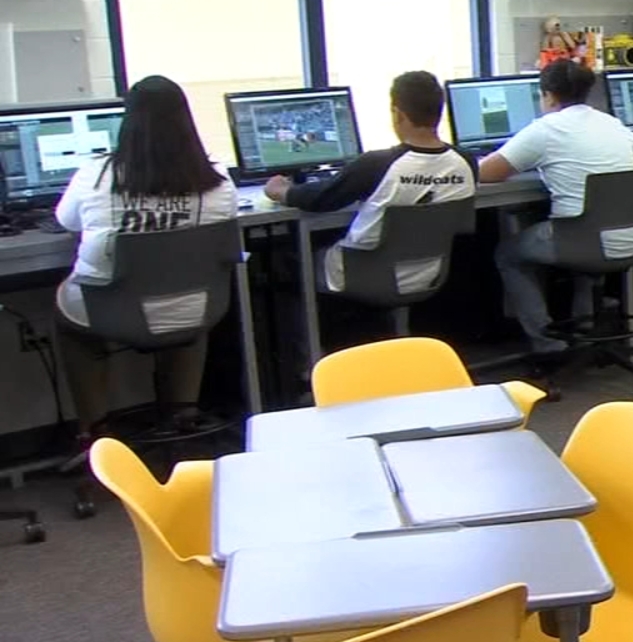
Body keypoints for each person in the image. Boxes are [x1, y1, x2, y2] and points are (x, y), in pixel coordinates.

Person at [53, 75, 237, 442]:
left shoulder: (96, 175)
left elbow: (66, 220)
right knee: (188, 303)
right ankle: (182, 413)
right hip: (198, 308)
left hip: (113, 314)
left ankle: (95, 432)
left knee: (70, 323)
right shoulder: (217, 179)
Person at [480, 59, 633, 355]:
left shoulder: (545, 129)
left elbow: (488, 173)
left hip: (582, 243)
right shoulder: (611, 123)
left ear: (548, 95)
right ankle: (585, 329)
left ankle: (548, 344)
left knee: (507, 254)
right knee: (583, 233)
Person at [264, 71, 476, 296]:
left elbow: (320, 199)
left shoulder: (375, 165)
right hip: (429, 273)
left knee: (289, 257)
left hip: (363, 274)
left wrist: (280, 191)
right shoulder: (466, 161)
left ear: (397, 114)